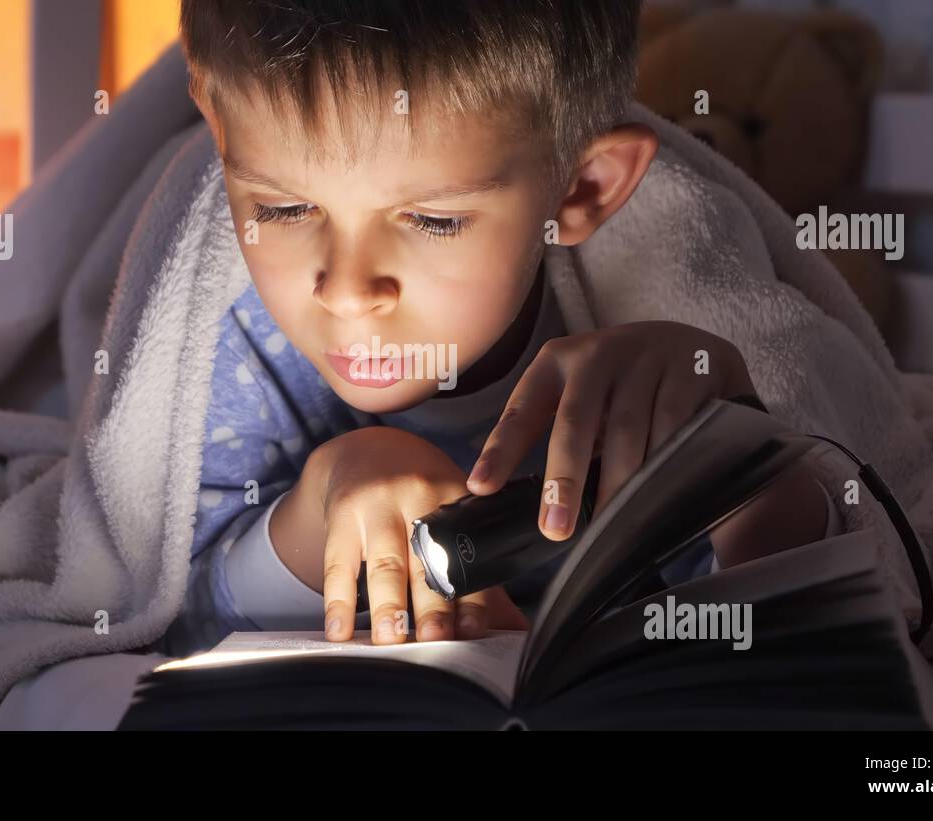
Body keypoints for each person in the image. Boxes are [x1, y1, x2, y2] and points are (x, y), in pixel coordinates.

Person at [162, 0, 836, 657]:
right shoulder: (237, 339)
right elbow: (167, 615)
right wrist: (322, 502)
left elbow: (808, 622)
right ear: (218, 130)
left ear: (581, 191)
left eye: (434, 220)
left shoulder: (649, 331)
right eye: (282, 208)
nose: (346, 291)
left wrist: (735, 454)